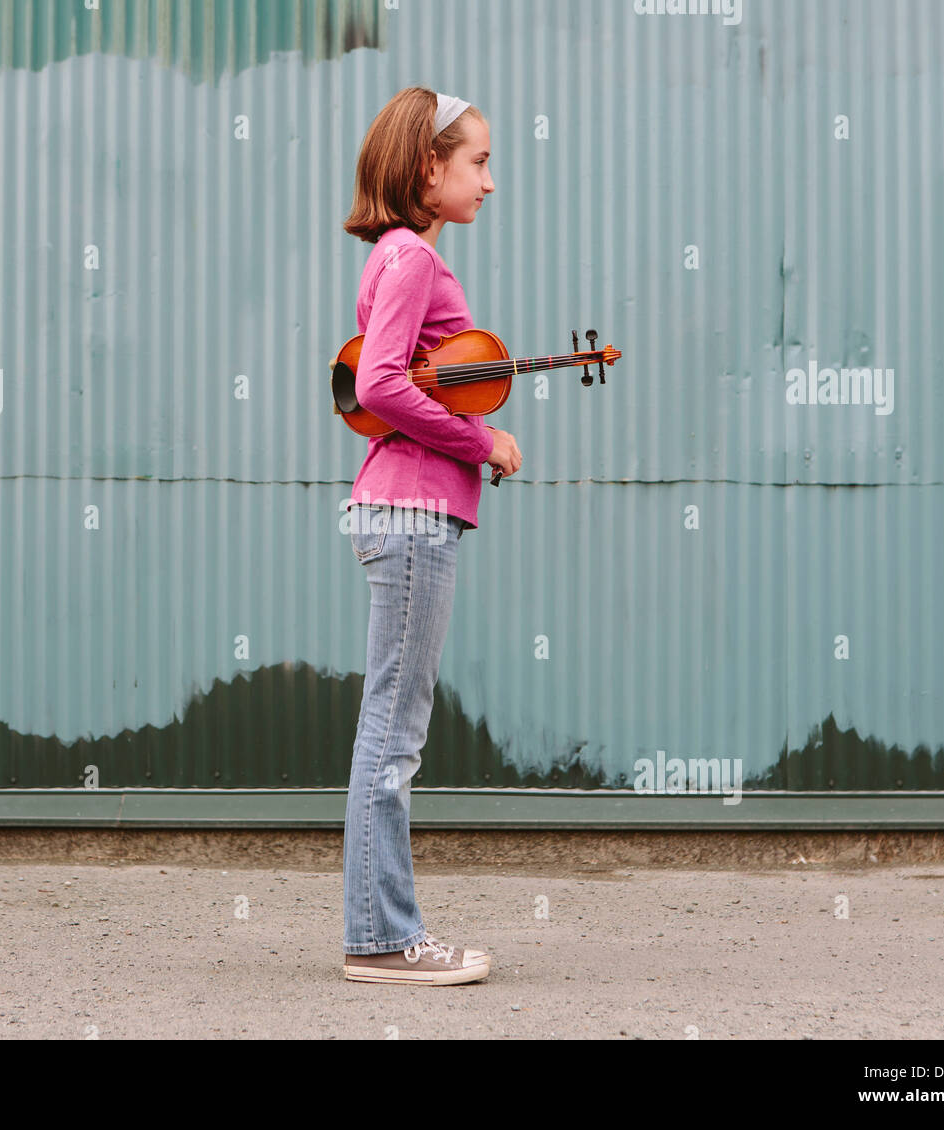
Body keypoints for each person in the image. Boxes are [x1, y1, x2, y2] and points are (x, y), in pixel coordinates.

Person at [335, 87, 522, 986]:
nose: (490, 181)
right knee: (395, 734)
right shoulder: (411, 256)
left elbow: (401, 379)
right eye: (478, 162)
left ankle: (382, 930)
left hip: (401, 511)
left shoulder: (396, 255)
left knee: (390, 726)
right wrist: (482, 438)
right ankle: (384, 939)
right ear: (428, 168)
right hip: (411, 513)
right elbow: (377, 385)